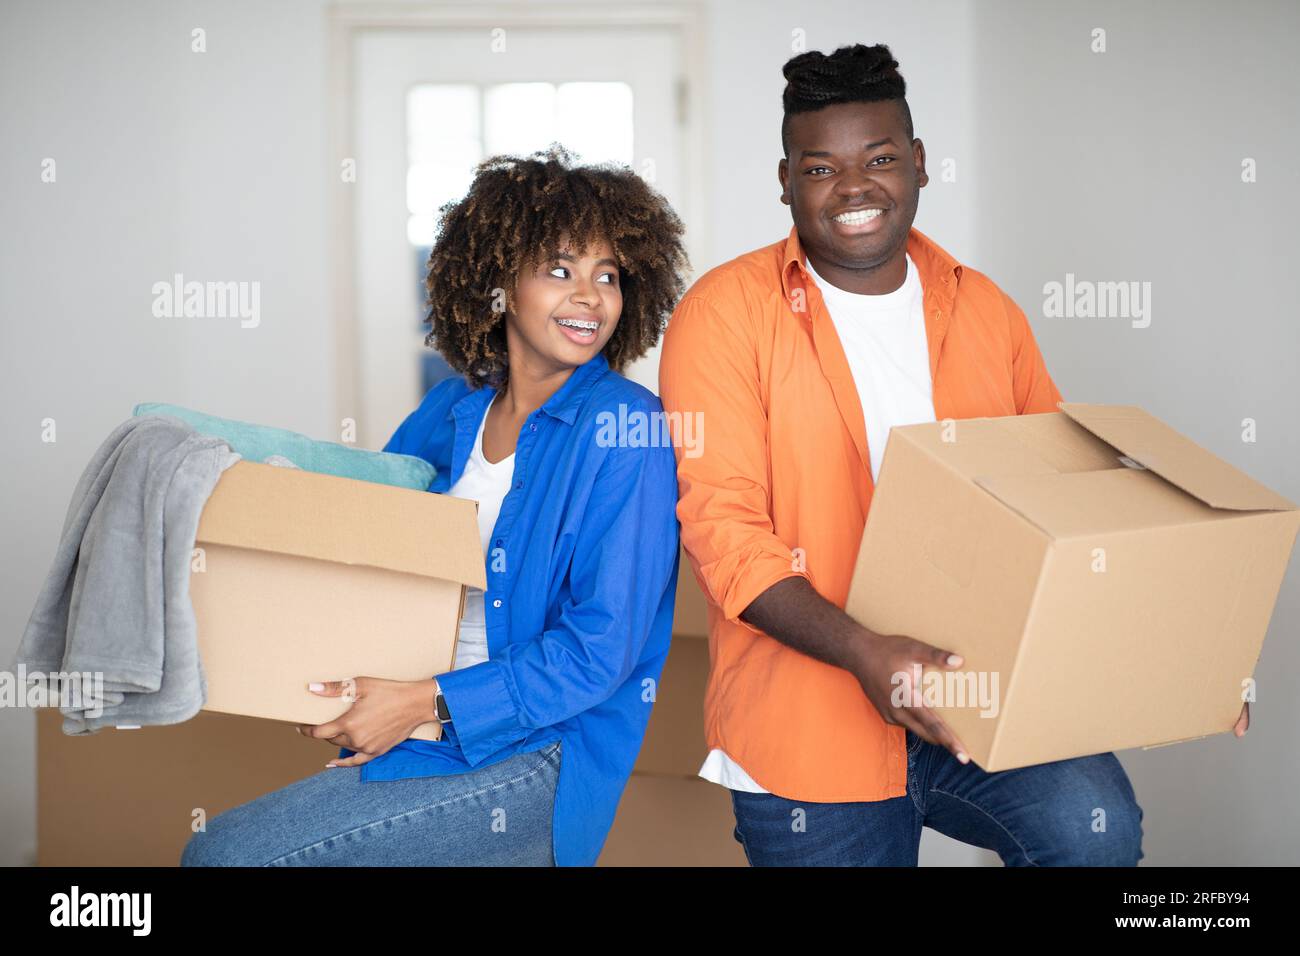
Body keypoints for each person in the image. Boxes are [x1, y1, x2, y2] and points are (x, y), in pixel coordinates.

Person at [659, 43, 1244, 867]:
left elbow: (1068, 504)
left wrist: (1181, 661)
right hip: (808, 727)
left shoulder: (986, 311)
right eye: (821, 167)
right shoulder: (722, 316)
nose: (855, 187)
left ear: (921, 165)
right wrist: (866, 653)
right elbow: (723, 530)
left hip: (984, 695)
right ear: (785, 181)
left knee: (1094, 833)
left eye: (882, 158)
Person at [182, 144, 689, 867]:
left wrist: (423, 703)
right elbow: (368, 538)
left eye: (607, 275)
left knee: (222, 858)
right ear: (501, 284)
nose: (590, 296)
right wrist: (332, 684)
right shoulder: (455, 407)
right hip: (426, 722)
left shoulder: (628, 429)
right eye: (559, 270)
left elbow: (598, 652)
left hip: (539, 747)